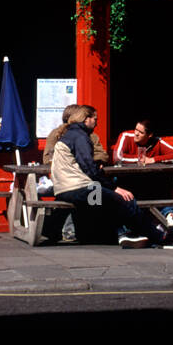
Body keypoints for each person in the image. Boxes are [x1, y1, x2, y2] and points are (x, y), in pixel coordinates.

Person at [51, 105, 173, 249]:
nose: (97, 123)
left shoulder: (70, 134)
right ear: (86, 119)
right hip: (79, 189)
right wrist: (115, 188)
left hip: (65, 190)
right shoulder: (80, 136)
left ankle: (128, 234)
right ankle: (161, 239)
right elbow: (90, 170)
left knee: (109, 202)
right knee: (125, 199)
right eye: (95, 119)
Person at [42, 104, 108, 243]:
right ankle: (74, 230)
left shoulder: (90, 135)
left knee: (93, 194)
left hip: (83, 177)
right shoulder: (57, 134)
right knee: (93, 194)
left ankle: (84, 231)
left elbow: (101, 154)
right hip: (65, 178)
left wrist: (94, 160)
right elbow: (48, 157)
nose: (95, 121)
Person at [112, 119, 173, 231]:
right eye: (136, 129)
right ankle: (130, 228)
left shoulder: (157, 141)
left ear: (149, 135)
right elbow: (117, 157)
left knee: (161, 187)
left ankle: (170, 216)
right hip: (128, 180)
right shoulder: (126, 136)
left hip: (149, 180)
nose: (136, 133)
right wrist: (140, 159)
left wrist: (154, 159)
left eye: (140, 132)